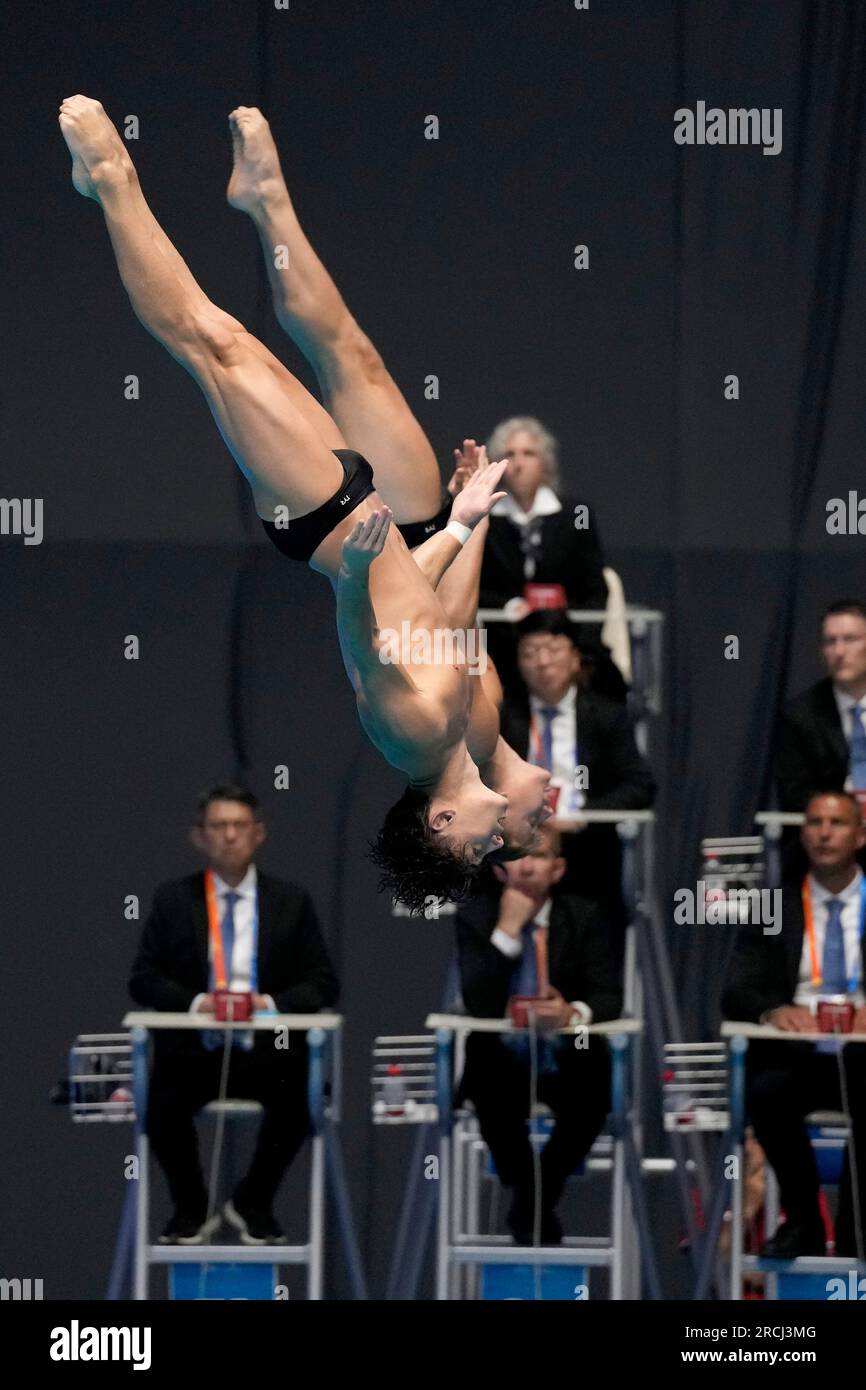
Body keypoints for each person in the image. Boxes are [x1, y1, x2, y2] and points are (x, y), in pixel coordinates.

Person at [59, 95, 508, 912]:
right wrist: (461, 524)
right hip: (344, 507)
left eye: (477, 848)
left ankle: (111, 179)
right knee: (230, 342)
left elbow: (367, 652)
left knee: (211, 346)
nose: (496, 840)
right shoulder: (444, 732)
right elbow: (413, 604)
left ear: (442, 822)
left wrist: (356, 576)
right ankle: (163, 190)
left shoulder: (415, 741)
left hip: (323, 518)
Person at [129, 785, 338, 1245]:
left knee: (301, 1098)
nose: (229, 836)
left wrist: (265, 1003)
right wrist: (198, 1003)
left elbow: (322, 983)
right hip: (196, 1051)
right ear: (198, 836)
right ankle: (191, 1208)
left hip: (265, 1051)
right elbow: (143, 979)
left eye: (239, 826)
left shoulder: (291, 901)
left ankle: (253, 1202)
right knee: (161, 1104)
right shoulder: (173, 900)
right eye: (218, 826)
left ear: (258, 833)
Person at [455, 825, 622, 1244]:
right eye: (516, 856)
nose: (527, 866)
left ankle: (529, 1202)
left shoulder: (585, 916)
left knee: (593, 1086)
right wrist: (508, 932)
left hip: (567, 1053)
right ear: (499, 869)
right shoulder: (477, 917)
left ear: (557, 869)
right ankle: (535, 1203)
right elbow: (478, 1004)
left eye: (539, 856)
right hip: (503, 1059)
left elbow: (608, 996)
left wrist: (570, 1013)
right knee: (485, 1074)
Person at [722, 790, 866, 1258]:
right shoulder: (773, 903)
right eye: (815, 823)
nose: (824, 833)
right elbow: (737, 988)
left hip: (862, 1049)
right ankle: (803, 1220)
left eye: (837, 823)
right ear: (802, 834)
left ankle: (855, 1233)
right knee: (767, 1092)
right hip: (798, 1050)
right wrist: (774, 1011)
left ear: (860, 836)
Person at [500, 608, 655, 941]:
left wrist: (583, 815)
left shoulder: (606, 716)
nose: (542, 662)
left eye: (553, 649)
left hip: (585, 850)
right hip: (518, 852)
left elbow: (641, 786)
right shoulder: (503, 719)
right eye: (530, 652)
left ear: (575, 659)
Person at [478, 415, 625, 701]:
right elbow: (473, 587)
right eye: (510, 454)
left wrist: (577, 649)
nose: (519, 463)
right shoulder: (484, 519)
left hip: (568, 640)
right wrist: (509, 606)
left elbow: (594, 589)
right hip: (503, 646)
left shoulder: (575, 516)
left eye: (528, 453)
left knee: (605, 687)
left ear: (545, 462)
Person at [777, 599, 866, 812]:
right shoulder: (801, 715)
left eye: (850, 639)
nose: (839, 651)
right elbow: (796, 795)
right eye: (830, 641)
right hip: (833, 826)